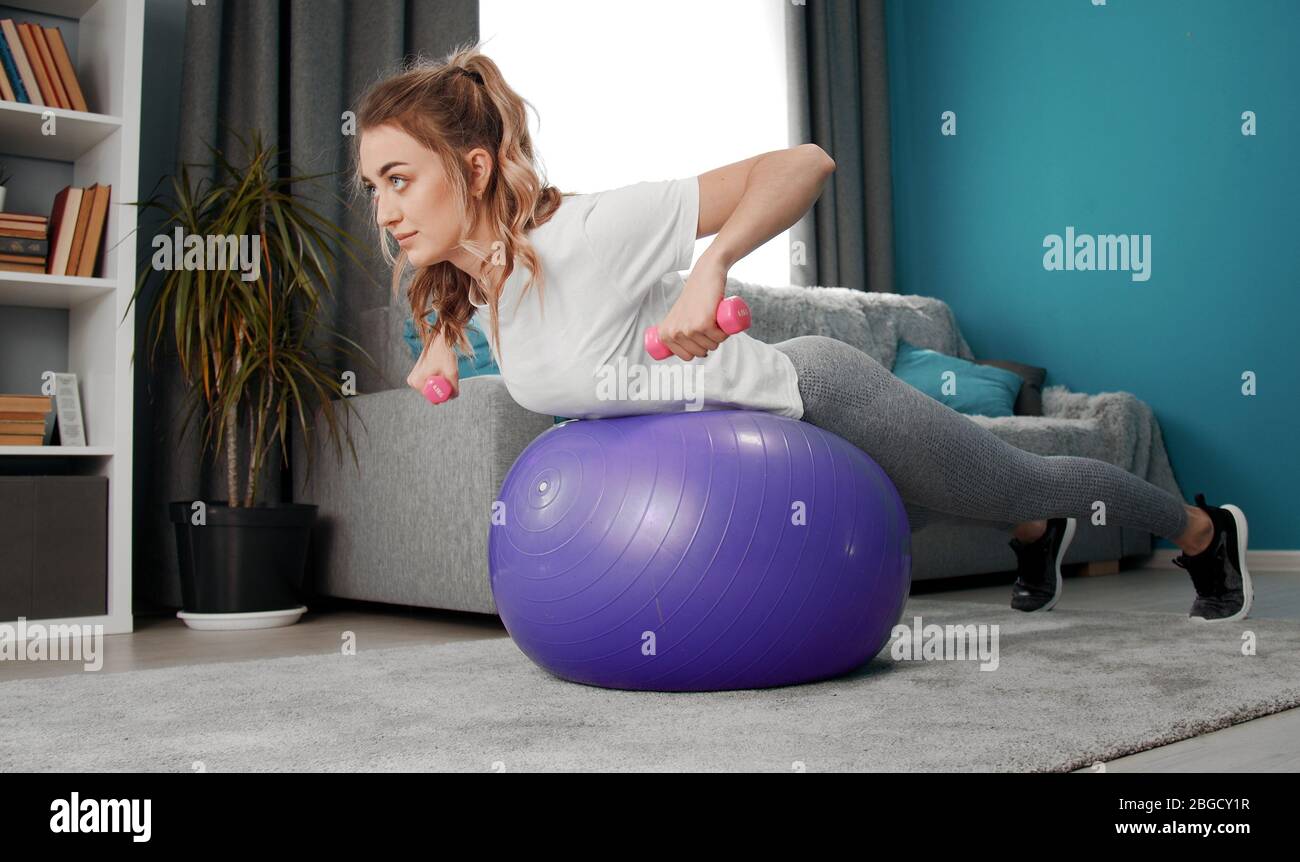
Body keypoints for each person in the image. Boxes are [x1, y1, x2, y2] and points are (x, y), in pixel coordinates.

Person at [352, 44, 1251, 623]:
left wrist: (709, 271)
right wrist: (440, 335)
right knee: (942, 505)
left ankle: (1203, 531)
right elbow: (518, 325)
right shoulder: (485, 280)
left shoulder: (586, 234)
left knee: (1026, 472)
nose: (384, 209)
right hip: (754, 469)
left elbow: (803, 164)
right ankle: (1026, 530)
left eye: (399, 179)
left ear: (473, 167)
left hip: (813, 398)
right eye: (373, 188)